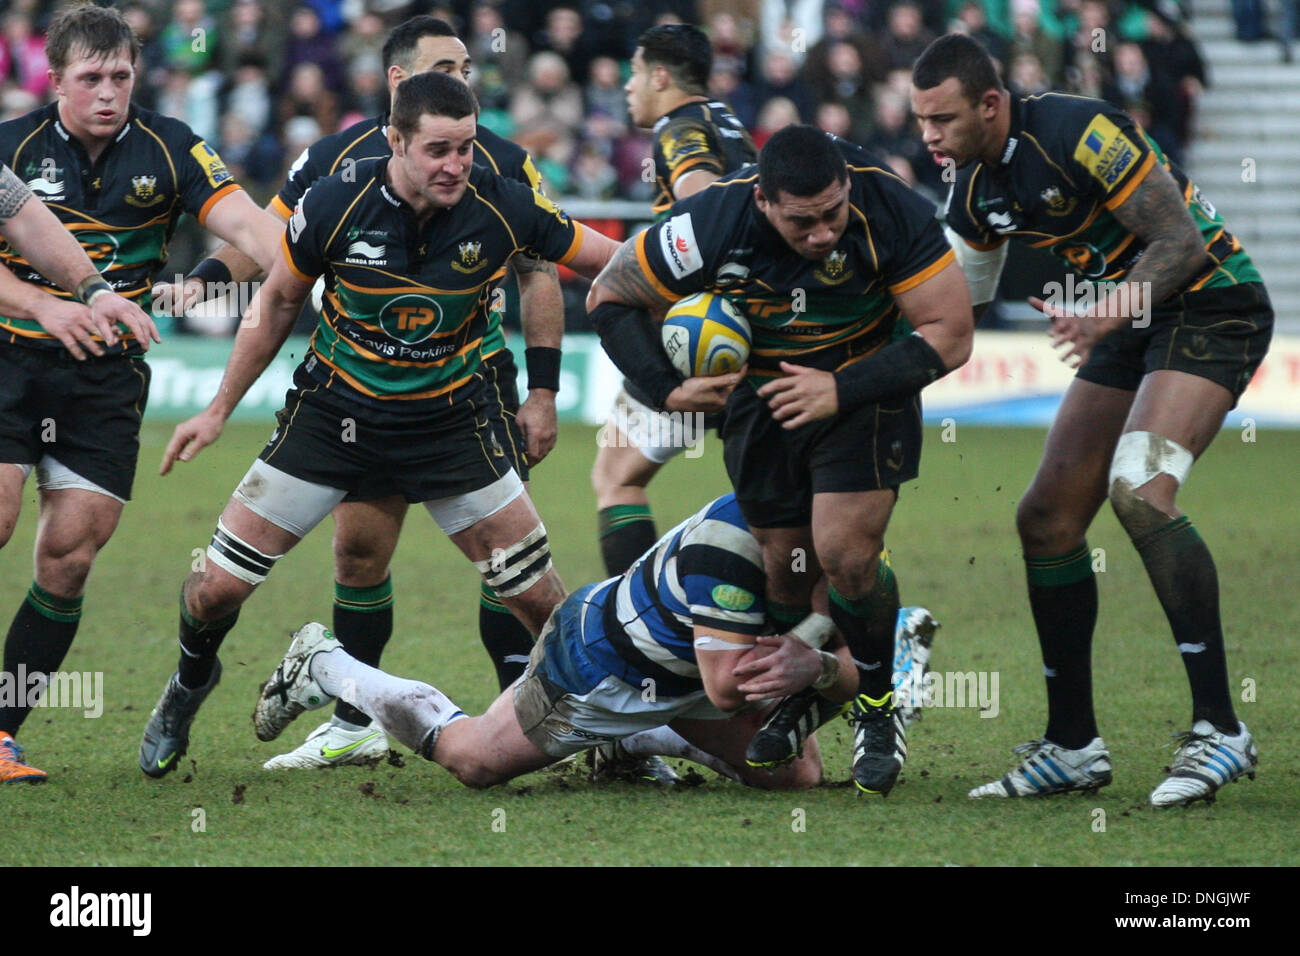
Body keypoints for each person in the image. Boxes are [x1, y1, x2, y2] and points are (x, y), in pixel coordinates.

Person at [135, 70, 628, 780]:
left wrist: (681, 284)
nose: (456, 164)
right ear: (395, 141)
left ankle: (608, 736)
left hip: (450, 424)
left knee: (540, 599)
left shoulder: (505, 207)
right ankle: (188, 682)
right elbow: (275, 303)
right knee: (214, 589)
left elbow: (601, 260)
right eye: (437, 149)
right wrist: (216, 409)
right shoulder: (335, 201)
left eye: (463, 147)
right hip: (333, 413)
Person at [910, 33, 1271, 807]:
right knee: (1045, 518)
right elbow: (954, 317)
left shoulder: (1082, 131)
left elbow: (1177, 239)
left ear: (991, 104)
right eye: (920, 123)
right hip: (1121, 322)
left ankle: (1221, 728)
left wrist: (1106, 311)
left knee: (1141, 488)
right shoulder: (972, 193)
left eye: (941, 120)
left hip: (1210, 301)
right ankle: (1072, 746)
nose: (929, 137)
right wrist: (860, 377)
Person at [584, 123, 973, 795]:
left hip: (865, 391)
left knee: (846, 552)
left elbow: (953, 333)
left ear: (847, 187)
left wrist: (840, 387)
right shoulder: (709, 224)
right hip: (762, 407)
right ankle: (843, 674)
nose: (822, 233)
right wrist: (669, 390)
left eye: (832, 214)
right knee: (789, 577)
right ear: (763, 200)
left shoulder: (893, 210)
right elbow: (608, 298)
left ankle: (878, 705)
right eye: (803, 222)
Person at [0, 3, 281, 784]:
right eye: (90, 78)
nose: (107, 92)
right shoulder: (11, 147)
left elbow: (256, 235)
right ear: (55, 79)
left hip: (107, 378)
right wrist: (48, 305)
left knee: (68, 559)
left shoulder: (172, 146)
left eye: (121, 75)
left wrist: (229, 276)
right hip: (10, 358)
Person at [253, 494, 857, 792]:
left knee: (790, 776)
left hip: (688, 670)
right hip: (602, 662)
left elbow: (857, 664)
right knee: (473, 761)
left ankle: (629, 739)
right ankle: (324, 663)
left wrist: (823, 664)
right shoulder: (728, 544)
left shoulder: (842, 536)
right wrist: (821, 663)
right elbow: (731, 690)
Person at [591, 24, 755, 580]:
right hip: (756, 329)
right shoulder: (727, 121)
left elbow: (705, 199)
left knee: (616, 477)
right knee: (773, 496)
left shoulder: (678, 128)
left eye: (635, 74)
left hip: (698, 336)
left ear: (660, 76)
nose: (629, 87)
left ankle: (636, 622)